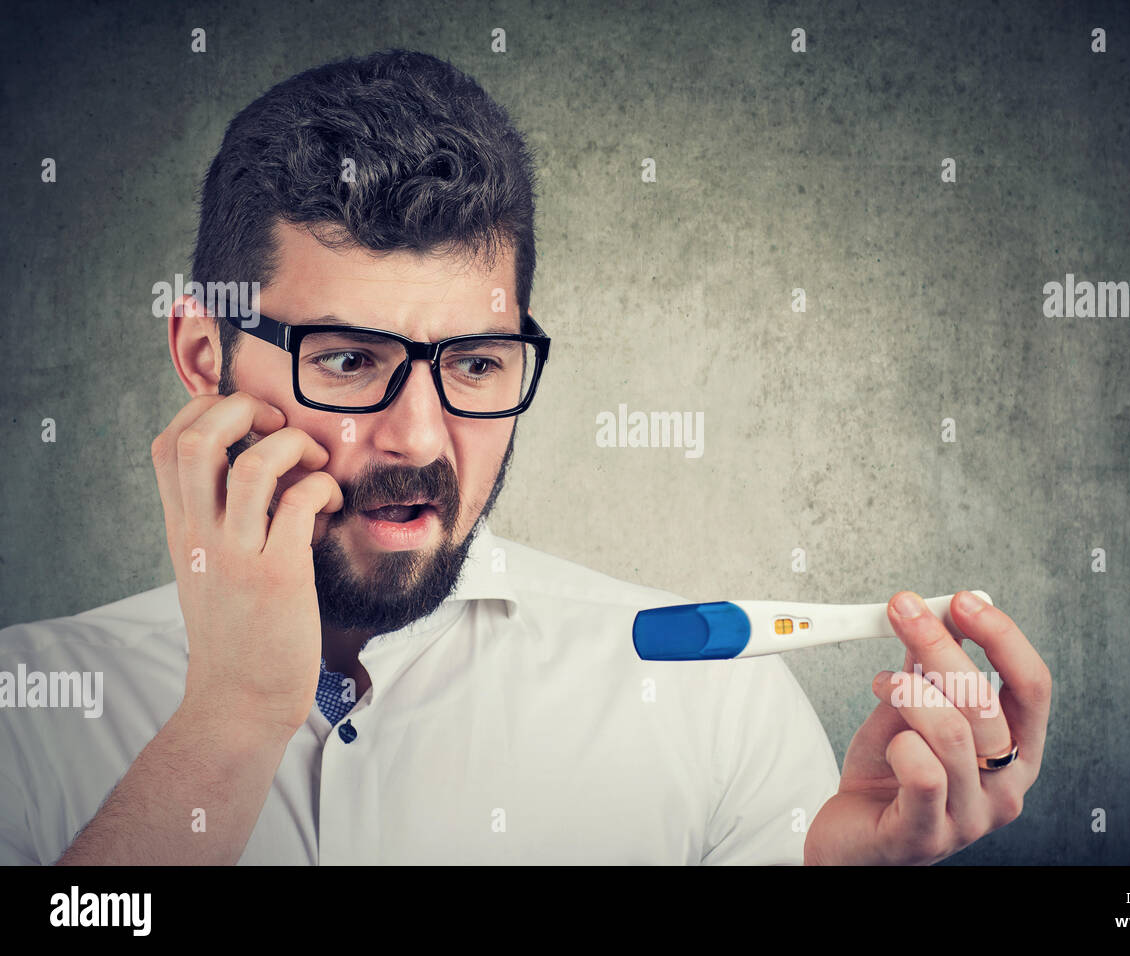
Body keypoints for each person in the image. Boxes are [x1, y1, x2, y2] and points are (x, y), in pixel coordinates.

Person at [0, 49, 1050, 865]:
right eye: (351, 360)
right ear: (202, 351)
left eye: (476, 361)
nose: (417, 437)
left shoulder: (711, 705)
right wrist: (230, 718)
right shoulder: (25, 713)